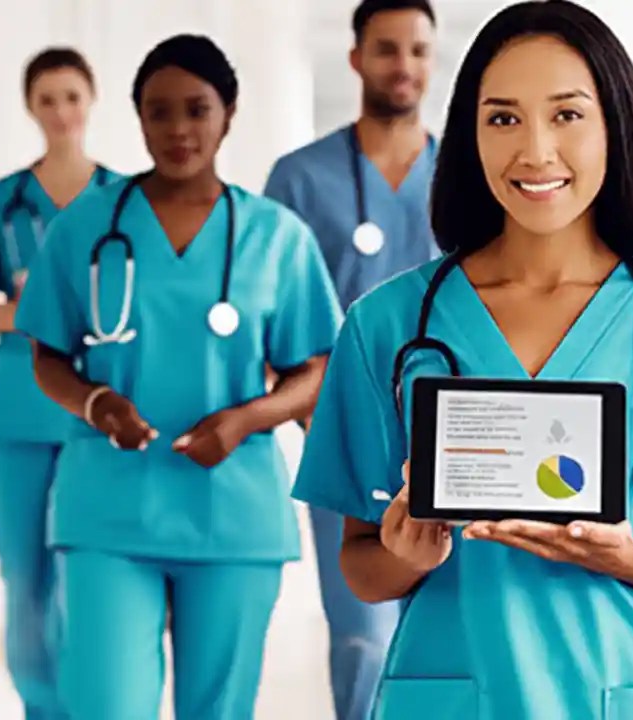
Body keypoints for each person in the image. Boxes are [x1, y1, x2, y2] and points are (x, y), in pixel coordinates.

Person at [292, 2, 633, 718]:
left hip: (632, 695)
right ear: (469, 137)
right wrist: (408, 553)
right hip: (457, 692)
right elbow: (359, 568)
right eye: (503, 118)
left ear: (615, 128)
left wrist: (631, 559)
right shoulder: (385, 325)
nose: (535, 151)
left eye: (567, 115)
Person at [13, 34, 342, 719]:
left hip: (233, 511)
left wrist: (247, 418)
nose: (178, 130)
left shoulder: (276, 237)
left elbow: (316, 369)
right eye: (159, 112)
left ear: (229, 113)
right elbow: (46, 353)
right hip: (109, 508)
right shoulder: (86, 228)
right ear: (136, 118)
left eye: (197, 109)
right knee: (108, 705)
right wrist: (97, 402)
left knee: (217, 710)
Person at [262, 2, 437, 717]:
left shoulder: (468, 173)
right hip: (348, 435)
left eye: (418, 51)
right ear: (356, 58)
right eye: (387, 49)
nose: (404, 66)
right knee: (364, 637)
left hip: (460, 440)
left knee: (445, 631)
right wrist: (316, 419)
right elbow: (271, 323)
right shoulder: (300, 179)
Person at [0, 46, 117, 720]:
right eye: (47, 100)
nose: (61, 113)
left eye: (71, 97)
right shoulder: (3, 203)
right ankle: (42, 709)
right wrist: (40, 313)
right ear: (30, 108)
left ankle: (91, 703)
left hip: (94, 414)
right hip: (18, 413)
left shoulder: (121, 200)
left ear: (91, 100)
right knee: (24, 576)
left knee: (88, 573)